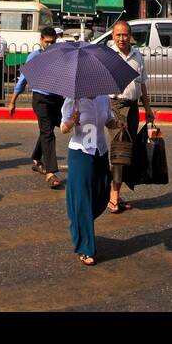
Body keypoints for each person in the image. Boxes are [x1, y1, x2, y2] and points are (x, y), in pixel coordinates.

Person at [61, 90, 121, 266]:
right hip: (81, 153)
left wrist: (118, 123)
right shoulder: (73, 99)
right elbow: (64, 127)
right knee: (83, 202)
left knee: (102, 195)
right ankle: (86, 247)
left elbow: (108, 120)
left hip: (100, 151)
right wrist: (73, 121)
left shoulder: (103, 98)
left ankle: (80, 223)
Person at [107, 19, 153, 214]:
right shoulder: (108, 56)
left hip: (133, 107)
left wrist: (148, 109)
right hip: (116, 106)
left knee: (129, 150)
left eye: (125, 34)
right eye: (118, 35)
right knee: (120, 150)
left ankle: (115, 191)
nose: (122, 38)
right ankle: (113, 197)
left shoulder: (137, 56)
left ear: (130, 36)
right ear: (112, 36)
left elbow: (141, 84)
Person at [8, 25, 62, 188]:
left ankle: (36, 158)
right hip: (41, 99)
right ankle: (51, 172)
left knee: (49, 130)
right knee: (47, 133)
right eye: (47, 42)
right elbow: (23, 79)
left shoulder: (60, 56)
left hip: (56, 99)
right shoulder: (35, 56)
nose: (49, 45)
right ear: (41, 40)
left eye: (52, 42)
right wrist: (13, 100)